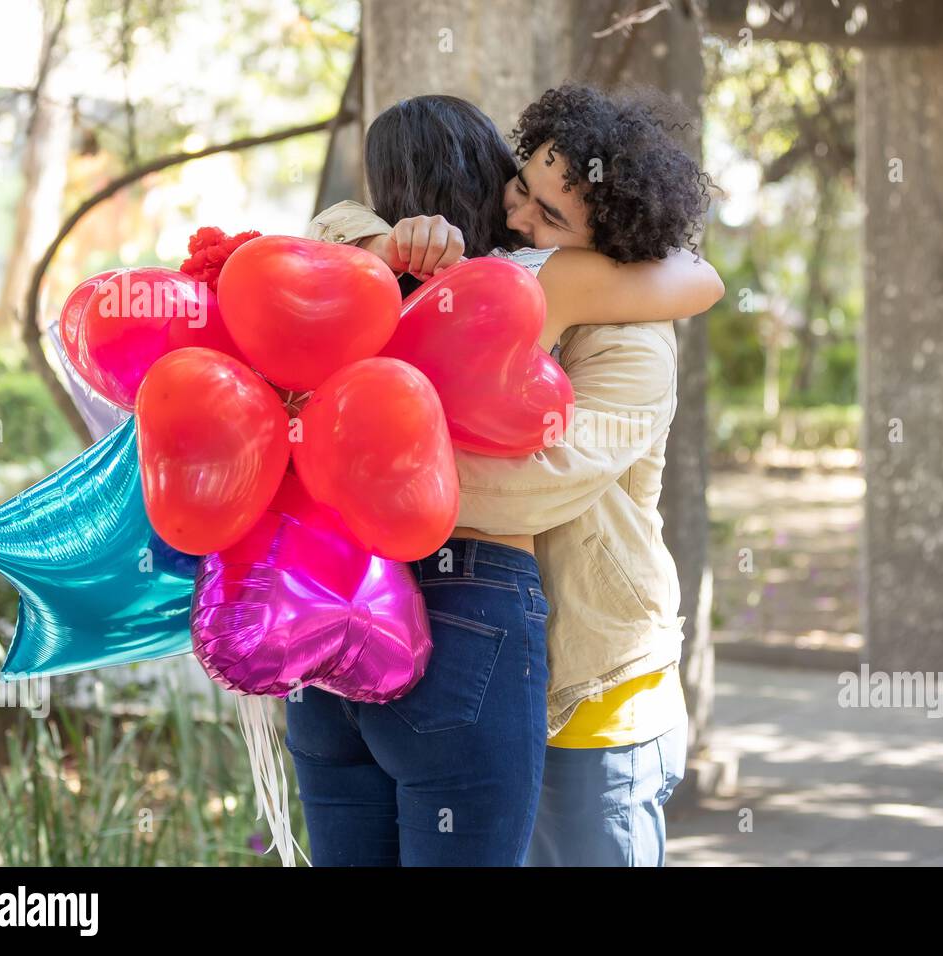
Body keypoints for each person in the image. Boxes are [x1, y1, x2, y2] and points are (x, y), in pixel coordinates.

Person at [290, 90, 721, 866]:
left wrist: (360, 474)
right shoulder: (486, 277)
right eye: (520, 185)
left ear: (608, 244)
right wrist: (387, 242)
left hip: (591, 686)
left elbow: (539, 480)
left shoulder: (631, 341)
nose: (517, 215)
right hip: (494, 659)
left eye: (551, 218)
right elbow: (330, 225)